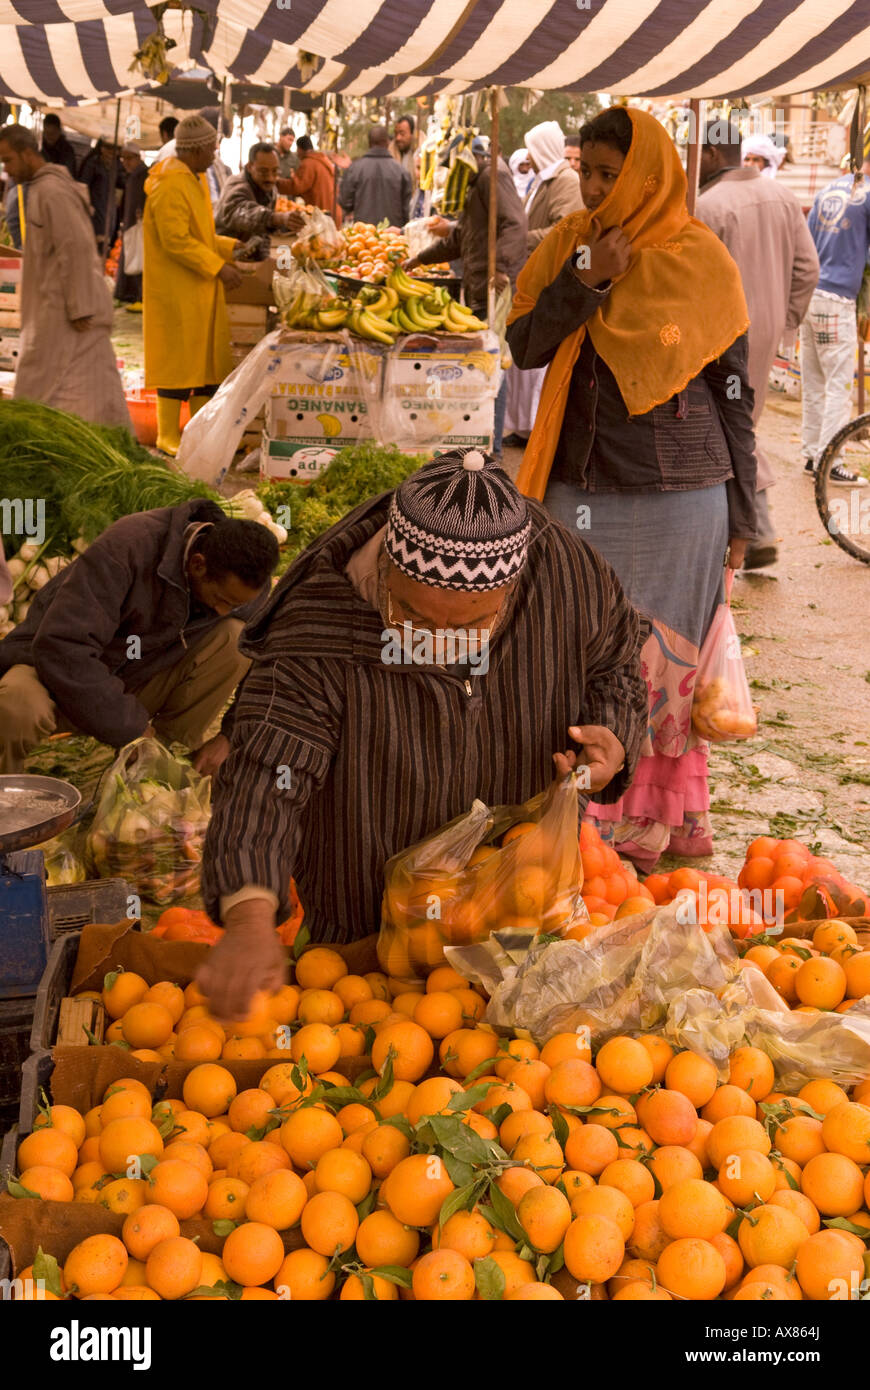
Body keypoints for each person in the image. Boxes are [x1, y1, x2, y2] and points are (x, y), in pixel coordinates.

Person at [196, 449, 647, 1017]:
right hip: (362, 942)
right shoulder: (320, 623)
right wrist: (249, 912)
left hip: (517, 922)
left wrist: (612, 732)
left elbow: (618, 660)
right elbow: (268, 772)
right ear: (386, 568)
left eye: (472, 624)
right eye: (415, 619)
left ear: (513, 587)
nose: (441, 643)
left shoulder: (563, 574)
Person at [506, 107, 758, 871]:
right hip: (577, 488)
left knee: (664, 663)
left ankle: (656, 825)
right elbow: (524, 346)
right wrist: (588, 278)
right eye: (588, 169)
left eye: (612, 174)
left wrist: (745, 515)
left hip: (683, 500)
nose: (596, 185)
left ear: (649, 175)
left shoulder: (699, 257)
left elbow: (736, 395)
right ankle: (578, 821)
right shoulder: (566, 246)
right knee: (577, 652)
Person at [0, 500, 278, 775]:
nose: (223, 611)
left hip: (135, 675)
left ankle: (158, 762)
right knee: (17, 705)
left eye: (235, 605)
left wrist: (229, 735)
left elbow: (268, 659)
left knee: (235, 640)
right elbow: (64, 647)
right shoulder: (130, 546)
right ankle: (9, 800)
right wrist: (130, 728)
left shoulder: (247, 582)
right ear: (198, 565)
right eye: (221, 599)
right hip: (53, 670)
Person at [697, 119, 819, 568]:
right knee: (742, 423)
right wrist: (782, 323)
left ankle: (755, 529)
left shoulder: (708, 206)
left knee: (732, 428)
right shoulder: (784, 198)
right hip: (764, 335)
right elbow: (808, 270)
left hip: (721, 336)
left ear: (710, 154)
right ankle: (748, 531)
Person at [0, 124, 130, 428]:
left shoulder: (52, 191)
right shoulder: (41, 189)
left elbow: (76, 247)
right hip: (55, 309)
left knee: (77, 393)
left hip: (71, 313)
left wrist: (81, 304)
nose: (6, 169)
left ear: (28, 154)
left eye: (8, 160)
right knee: (58, 388)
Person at [406, 138, 528, 456]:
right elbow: (462, 237)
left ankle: (494, 451)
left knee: (492, 363)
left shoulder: (493, 177)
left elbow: (515, 225)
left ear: (470, 160)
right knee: (484, 362)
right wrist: (419, 260)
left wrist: (499, 267)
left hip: (496, 289)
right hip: (478, 286)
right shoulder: (477, 184)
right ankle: (481, 440)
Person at [143, 113, 243, 457]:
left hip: (197, 286)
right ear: (195, 150)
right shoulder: (169, 183)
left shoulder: (194, 177)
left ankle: (197, 431)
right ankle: (166, 435)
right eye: (211, 149)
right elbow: (176, 241)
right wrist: (218, 267)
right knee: (177, 364)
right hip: (176, 289)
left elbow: (200, 233)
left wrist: (230, 247)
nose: (215, 155)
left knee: (204, 365)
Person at [800, 155, 870, 488]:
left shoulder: (826, 190)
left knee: (814, 382)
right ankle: (831, 460)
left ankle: (814, 455)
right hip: (838, 300)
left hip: (811, 297)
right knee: (838, 385)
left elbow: (807, 244)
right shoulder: (867, 196)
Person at [215, 142, 306, 242]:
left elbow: (261, 234)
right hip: (224, 252)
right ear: (250, 167)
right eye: (263, 171)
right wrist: (277, 218)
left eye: (275, 171)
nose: (270, 178)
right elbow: (243, 213)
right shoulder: (237, 185)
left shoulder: (270, 188)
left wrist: (263, 255)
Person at [523, 121, 583, 251]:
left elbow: (566, 232)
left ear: (543, 151)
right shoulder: (542, 180)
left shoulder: (567, 180)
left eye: (531, 150)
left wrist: (520, 238)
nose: (527, 157)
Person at [340, 126, 412, 228]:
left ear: (369, 143)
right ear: (388, 143)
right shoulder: (402, 172)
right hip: (392, 238)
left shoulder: (354, 169)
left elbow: (345, 203)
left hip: (363, 237)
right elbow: (407, 210)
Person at [278, 135, 341, 224]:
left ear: (299, 149)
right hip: (333, 212)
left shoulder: (309, 163)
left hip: (322, 215)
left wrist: (276, 183)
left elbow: (297, 186)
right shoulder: (324, 160)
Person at [115, 141, 148, 307]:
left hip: (137, 224)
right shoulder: (133, 175)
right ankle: (129, 292)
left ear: (137, 158)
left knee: (136, 257)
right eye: (123, 159)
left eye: (129, 158)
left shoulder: (142, 174)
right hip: (131, 223)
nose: (126, 162)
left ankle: (134, 293)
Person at [76, 137, 123, 253]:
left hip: (109, 213)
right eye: (108, 148)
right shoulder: (93, 163)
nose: (111, 153)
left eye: (115, 149)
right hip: (94, 211)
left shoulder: (117, 166)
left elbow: (121, 184)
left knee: (104, 247)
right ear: (102, 148)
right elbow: (83, 186)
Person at [390, 115, 417, 184]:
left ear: (412, 134)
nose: (398, 138)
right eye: (396, 134)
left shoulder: (421, 154)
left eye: (402, 134)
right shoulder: (392, 153)